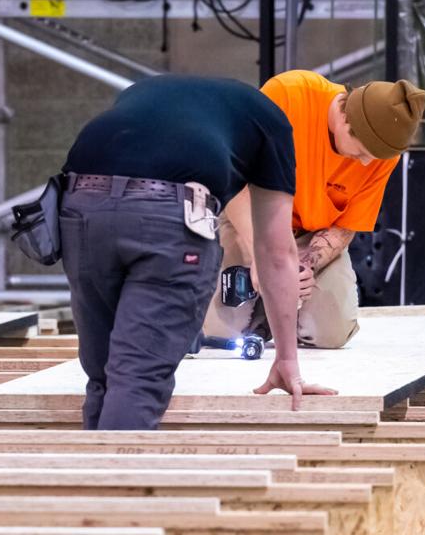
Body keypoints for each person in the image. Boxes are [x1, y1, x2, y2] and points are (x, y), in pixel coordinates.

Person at [59, 74, 336, 430]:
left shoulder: (146, 91)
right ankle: (117, 482)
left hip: (79, 205)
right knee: (137, 379)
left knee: (105, 374)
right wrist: (286, 359)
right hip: (167, 216)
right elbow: (277, 251)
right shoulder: (273, 122)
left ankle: (93, 480)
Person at [202, 71, 425, 349]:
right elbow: (233, 178)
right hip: (251, 221)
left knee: (330, 334)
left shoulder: (381, 155)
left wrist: (304, 267)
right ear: (346, 119)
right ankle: (263, 316)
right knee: (219, 332)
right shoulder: (289, 94)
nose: (367, 164)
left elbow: (347, 225)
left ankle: (274, 313)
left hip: (312, 233)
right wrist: (264, 256)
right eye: (361, 152)